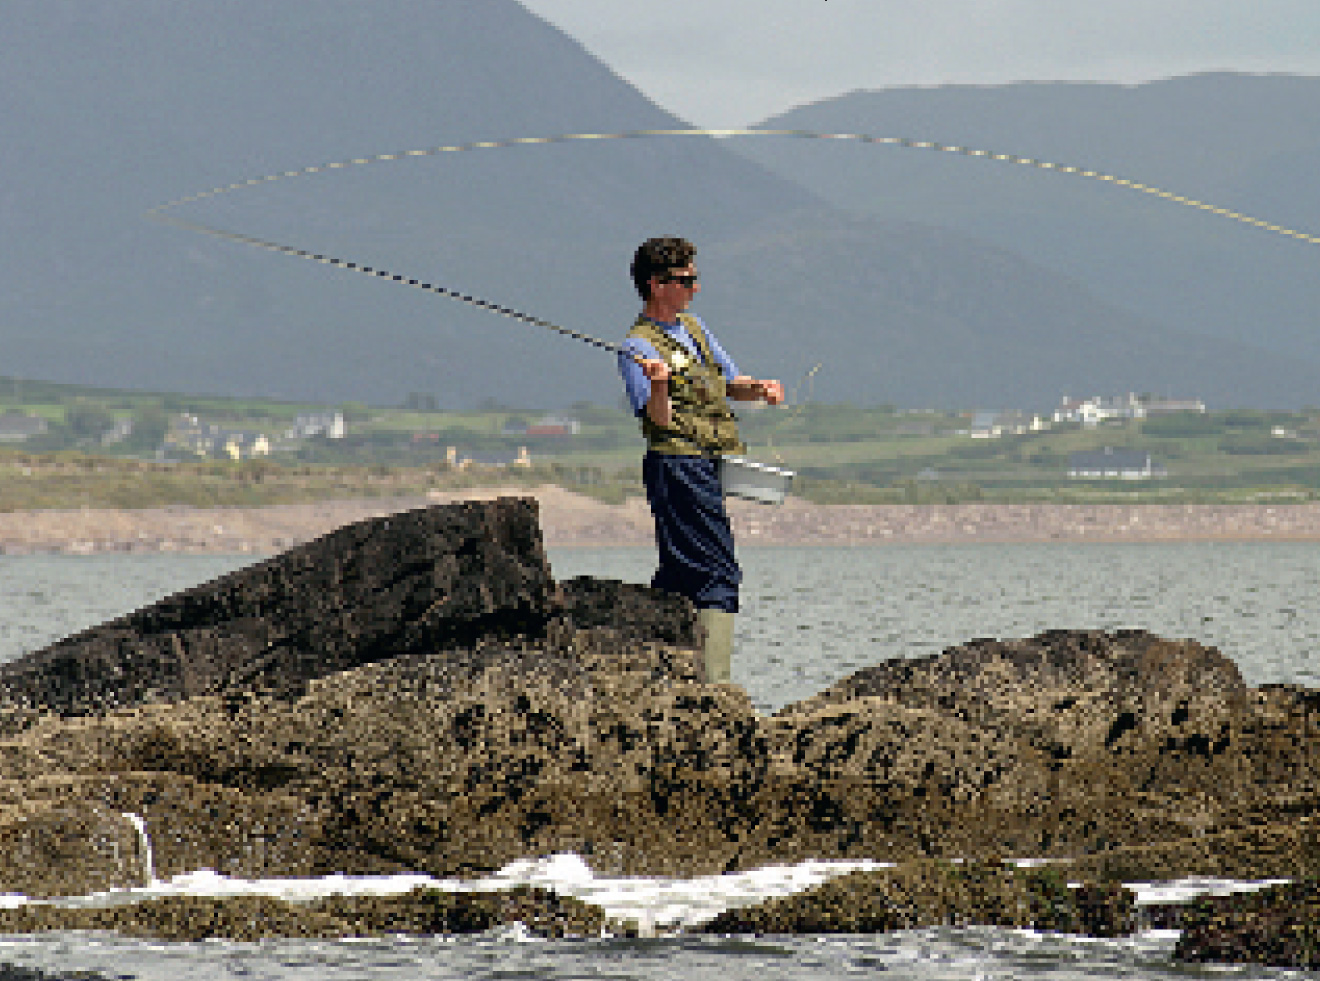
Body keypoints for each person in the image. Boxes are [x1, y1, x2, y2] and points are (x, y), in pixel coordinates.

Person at [617, 236, 784, 683]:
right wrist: (657, 384)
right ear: (656, 285)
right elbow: (657, 419)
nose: (695, 288)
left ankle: (657, 668)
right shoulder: (637, 347)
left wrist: (760, 388)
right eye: (685, 280)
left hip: (706, 463)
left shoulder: (694, 329)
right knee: (716, 572)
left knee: (680, 571)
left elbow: (730, 381)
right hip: (676, 465)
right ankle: (714, 687)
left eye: (695, 278)